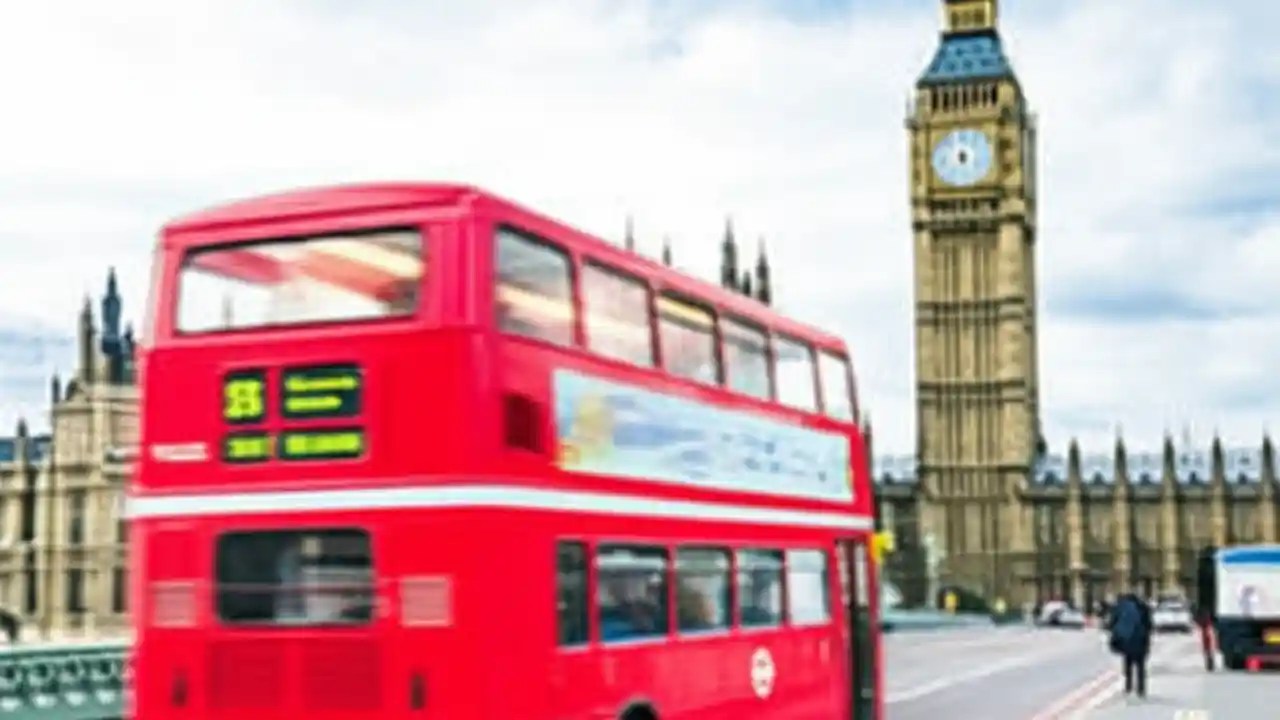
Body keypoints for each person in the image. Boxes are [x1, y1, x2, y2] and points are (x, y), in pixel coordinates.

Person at [1108, 590, 1154, 698]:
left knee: (1128, 664)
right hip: (1141, 642)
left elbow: (1112, 623)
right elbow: (1150, 625)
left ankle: (1128, 686)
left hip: (1126, 641)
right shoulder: (1143, 608)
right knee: (1141, 666)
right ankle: (1141, 689)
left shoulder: (1121, 608)